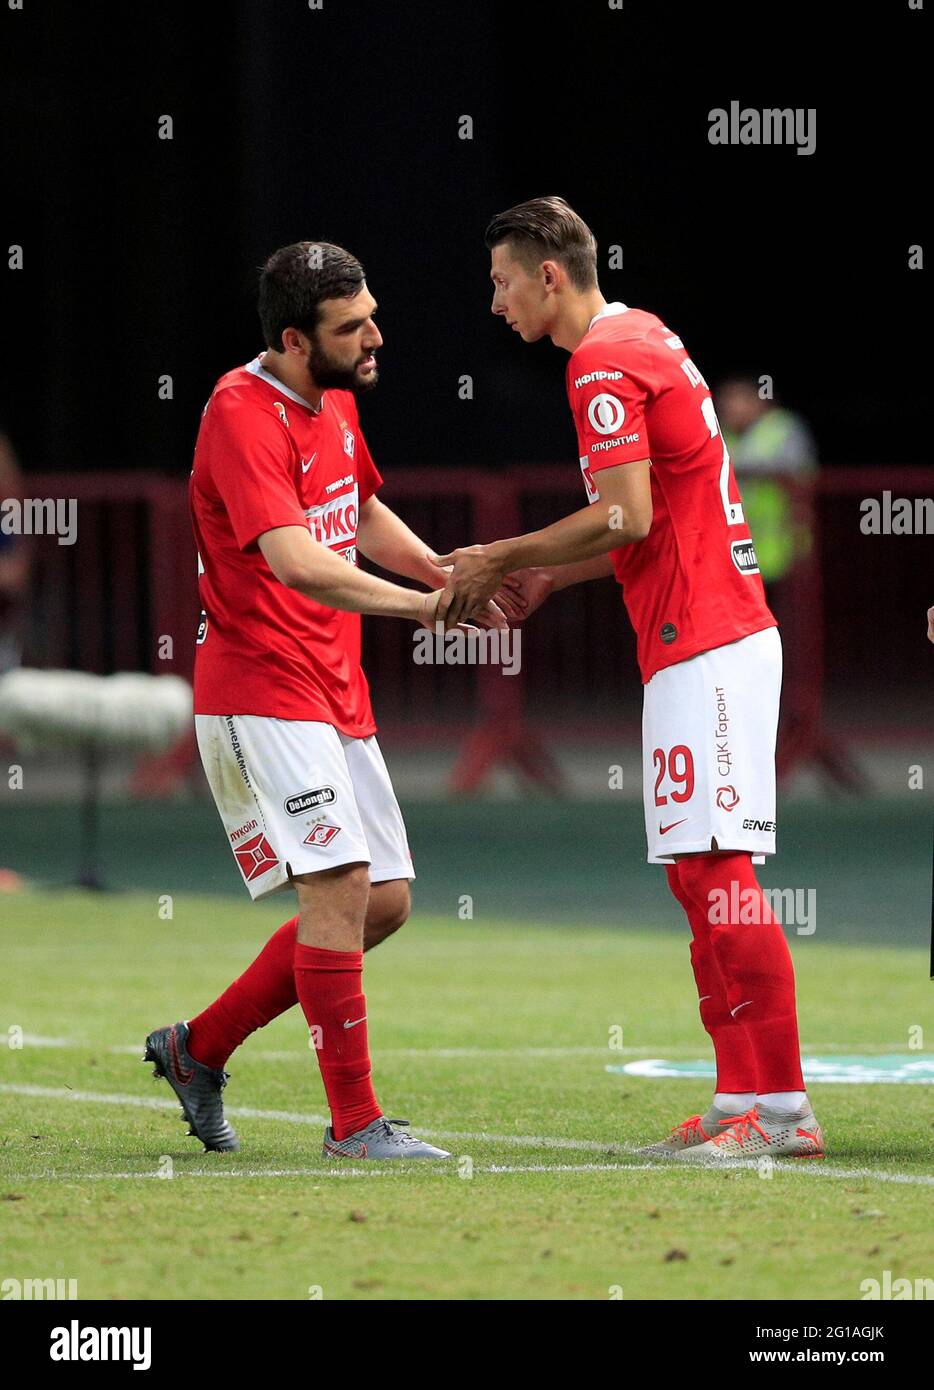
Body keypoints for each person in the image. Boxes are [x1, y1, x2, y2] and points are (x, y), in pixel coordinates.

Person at [434, 197, 822, 1162]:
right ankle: (742, 1099)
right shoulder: (644, 332)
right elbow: (652, 516)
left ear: (549, 277)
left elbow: (629, 515)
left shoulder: (601, 362)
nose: (496, 302)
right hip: (694, 638)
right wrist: (552, 573)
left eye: (502, 282)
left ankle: (780, 1112)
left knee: (720, 875)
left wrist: (498, 555)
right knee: (699, 876)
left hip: (712, 641)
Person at [144, 241, 501, 1161]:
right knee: (341, 887)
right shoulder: (239, 411)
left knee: (383, 902)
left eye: (372, 313)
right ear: (296, 340)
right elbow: (301, 563)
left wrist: (439, 566)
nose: (376, 334)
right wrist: (428, 608)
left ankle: (198, 1048)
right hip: (260, 686)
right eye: (353, 326)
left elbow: (359, 506)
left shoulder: (336, 396)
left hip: (333, 688)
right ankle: (357, 1125)